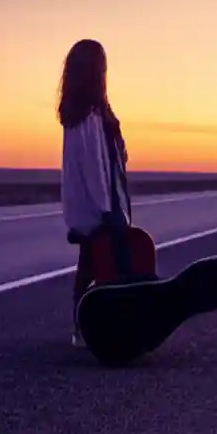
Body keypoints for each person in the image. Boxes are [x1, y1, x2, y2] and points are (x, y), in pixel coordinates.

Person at [58, 38, 132, 347]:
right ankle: (88, 326)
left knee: (92, 263)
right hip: (98, 206)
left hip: (105, 201)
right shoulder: (85, 115)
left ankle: (89, 325)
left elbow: (112, 155)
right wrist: (105, 210)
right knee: (100, 262)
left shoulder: (96, 110)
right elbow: (91, 166)